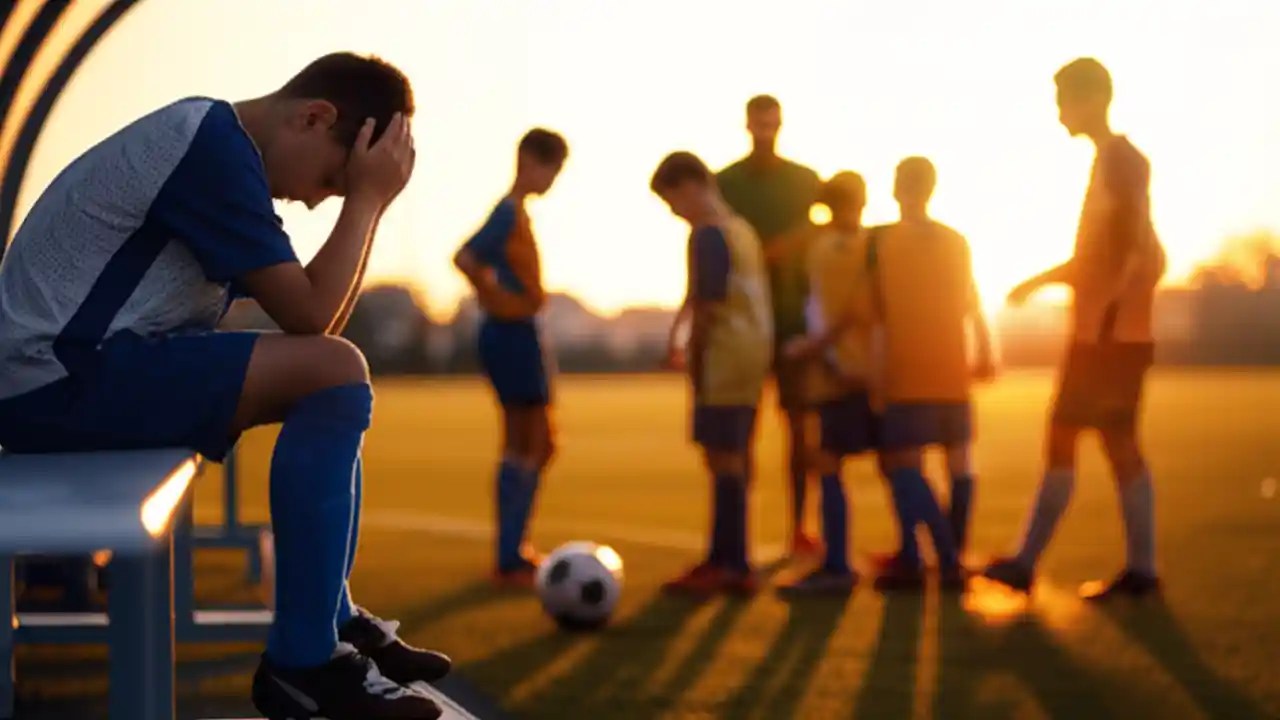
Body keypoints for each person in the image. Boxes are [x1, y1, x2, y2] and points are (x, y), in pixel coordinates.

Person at [0, 53, 448, 720]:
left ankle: (329, 615)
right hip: (54, 377)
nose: (314, 199)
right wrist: (368, 198)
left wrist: (365, 198)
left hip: (59, 373)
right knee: (337, 371)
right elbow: (312, 318)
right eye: (329, 178)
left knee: (331, 369)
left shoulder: (214, 147)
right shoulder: (210, 146)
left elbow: (315, 320)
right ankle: (303, 663)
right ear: (314, 116)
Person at [984, 58, 1166, 599]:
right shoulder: (1109, 161)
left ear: (1090, 99)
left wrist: (1108, 314)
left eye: (1064, 99)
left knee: (1080, 439)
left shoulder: (1121, 161)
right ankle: (1138, 570)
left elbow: (1137, 248)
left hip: (1107, 338)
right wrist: (1040, 281)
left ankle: (1030, 564)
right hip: (1105, 333)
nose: (1059, 112)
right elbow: (1100, 255)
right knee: (1111, 442)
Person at [870, 157, 995, 591]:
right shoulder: (955, 240)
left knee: (903, 461)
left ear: (895, 188)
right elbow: (973, 302)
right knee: (959, 459)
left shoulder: (883, 243)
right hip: (952, 366)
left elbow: (878, 315)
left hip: (907, 366)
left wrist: (877, 371)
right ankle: (950, 552)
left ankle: (933, 556)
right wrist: (986, 349)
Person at [653, 151, 772, 596]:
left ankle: (730, 563)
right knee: (735, 456)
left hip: (724, 357)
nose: (676, 214)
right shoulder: (743, 230)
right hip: (752, 355)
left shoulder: (708, 235)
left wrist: (692, 357)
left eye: (673, 203)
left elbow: (708, 304)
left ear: (690, 186)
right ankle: (729, 558)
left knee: (722, 458)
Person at [453, 128, 568, 587]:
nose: (552, 181)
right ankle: (510, 556)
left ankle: (513, 550)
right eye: (552, 170)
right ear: (530, 161)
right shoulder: (506, 212)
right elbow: (464, 257)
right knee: (527, 442)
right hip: (510, 333)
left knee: (536, 443)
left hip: (517, 332)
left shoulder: (515, 213)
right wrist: (494, 296)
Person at [716, 94, 823, 560]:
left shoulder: (804, 181)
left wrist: (790, 243)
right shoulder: (726, 182)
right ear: (747, 125)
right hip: (741, 324)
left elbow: (829, 226)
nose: (765, 129)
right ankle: (737, 534)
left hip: (793, 318)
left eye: (771, 122)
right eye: (758, 122)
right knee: (740, 429)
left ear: (779, 124)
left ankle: (801, 526)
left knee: (801, 427)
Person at [777, 171, 881, 595]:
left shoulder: (822, 251)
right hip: (880, 369)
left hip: (837, 369)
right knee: (897, 463)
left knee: (828, 463)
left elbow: (831, 310)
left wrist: (812, 348)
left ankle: (838, 564)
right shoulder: (877, 246)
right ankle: (920, 555)